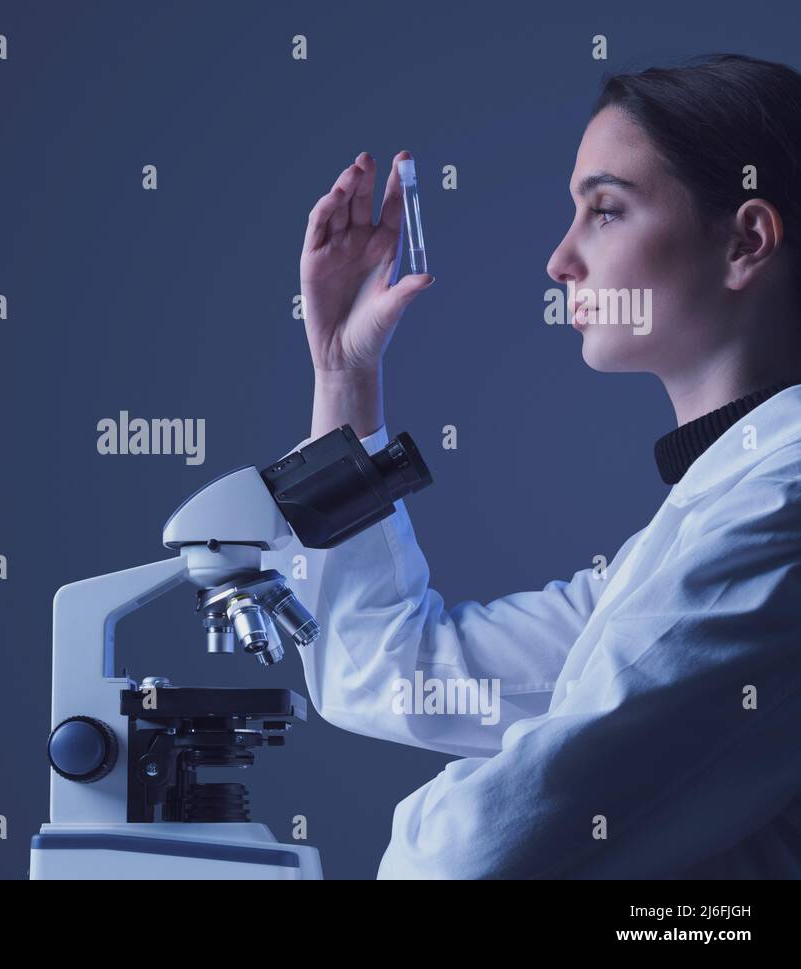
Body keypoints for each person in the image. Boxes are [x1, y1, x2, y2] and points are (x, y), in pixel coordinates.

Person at [266, 53, 801, 878]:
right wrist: (344, 376)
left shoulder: (782, 514)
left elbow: (480, 851)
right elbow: (385, 673)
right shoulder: (700, 526)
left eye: (607, 212)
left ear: (745, 240)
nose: (560, 261)